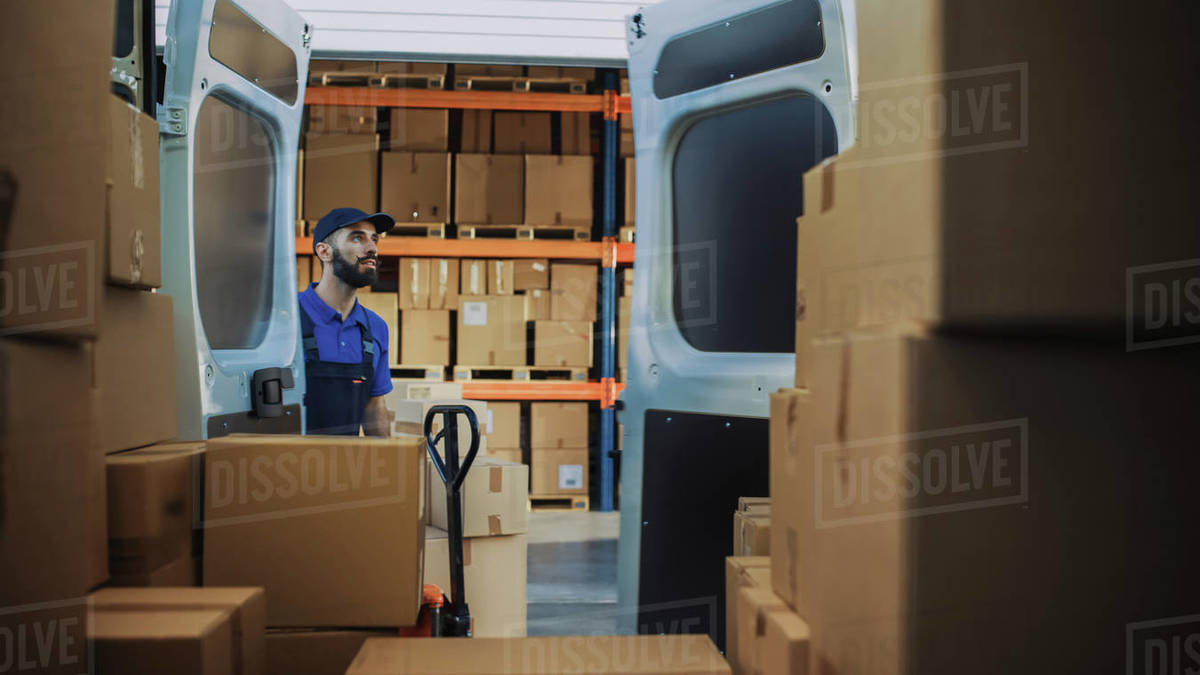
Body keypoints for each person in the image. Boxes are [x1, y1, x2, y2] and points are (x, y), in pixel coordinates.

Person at [298, 207, 394, 436]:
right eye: (357, 238)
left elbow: (375, 406)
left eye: (374, 240)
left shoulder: (375, 328)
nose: (371, 248)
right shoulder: (286, 319)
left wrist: (388, 466)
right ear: (324, 252)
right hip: (288, 466)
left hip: (347, 468)